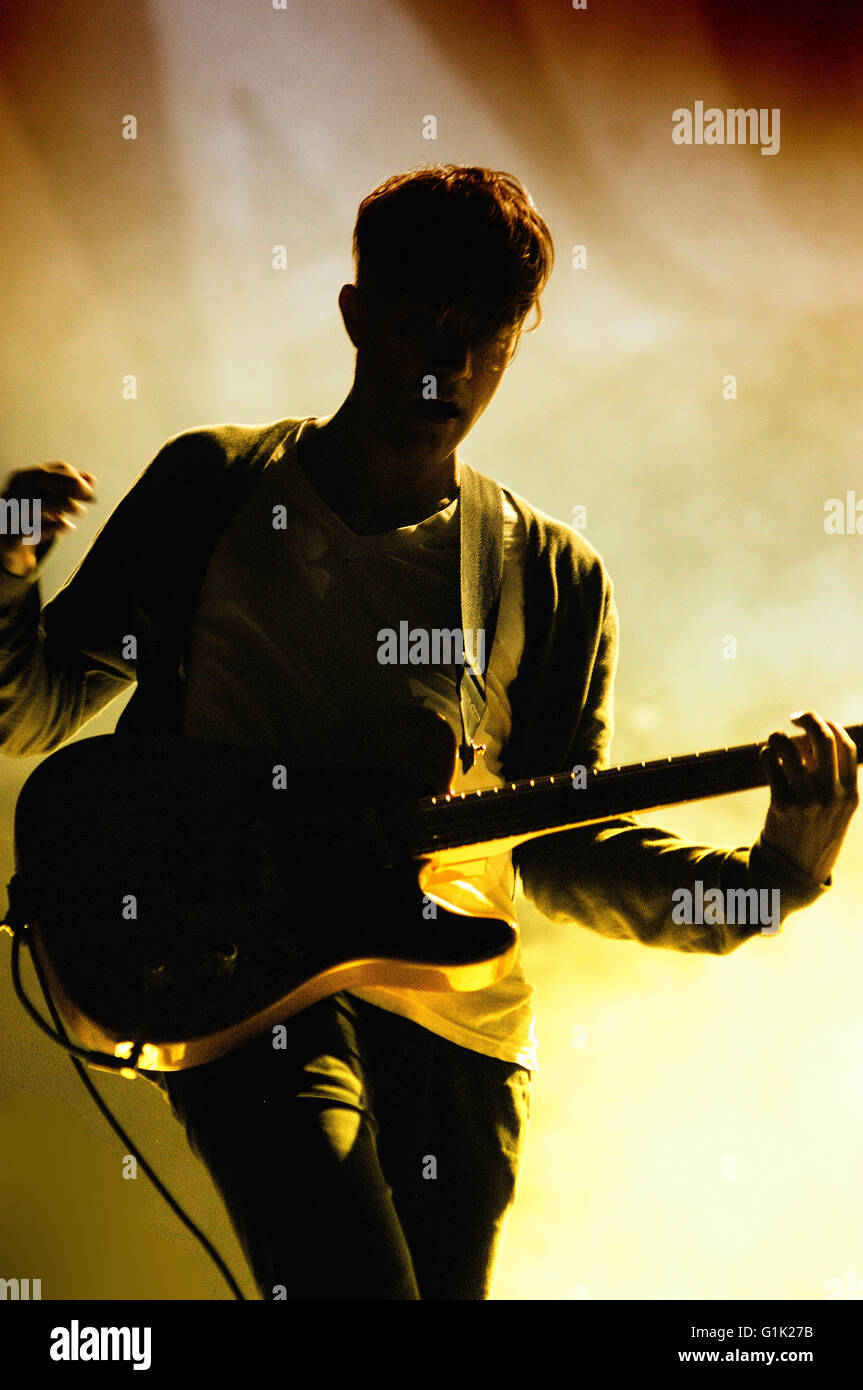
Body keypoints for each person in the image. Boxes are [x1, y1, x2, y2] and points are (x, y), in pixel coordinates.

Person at [0, 164, 858, 1301]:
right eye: (422, 327)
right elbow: (35, 706)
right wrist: (5, 572)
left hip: (462, 1033)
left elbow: (558, 849)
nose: (449, 369)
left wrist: (770, 879)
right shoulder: (212, 483)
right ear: (357, 316)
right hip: (247, 985)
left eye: (484, 338)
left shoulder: (549, 576)